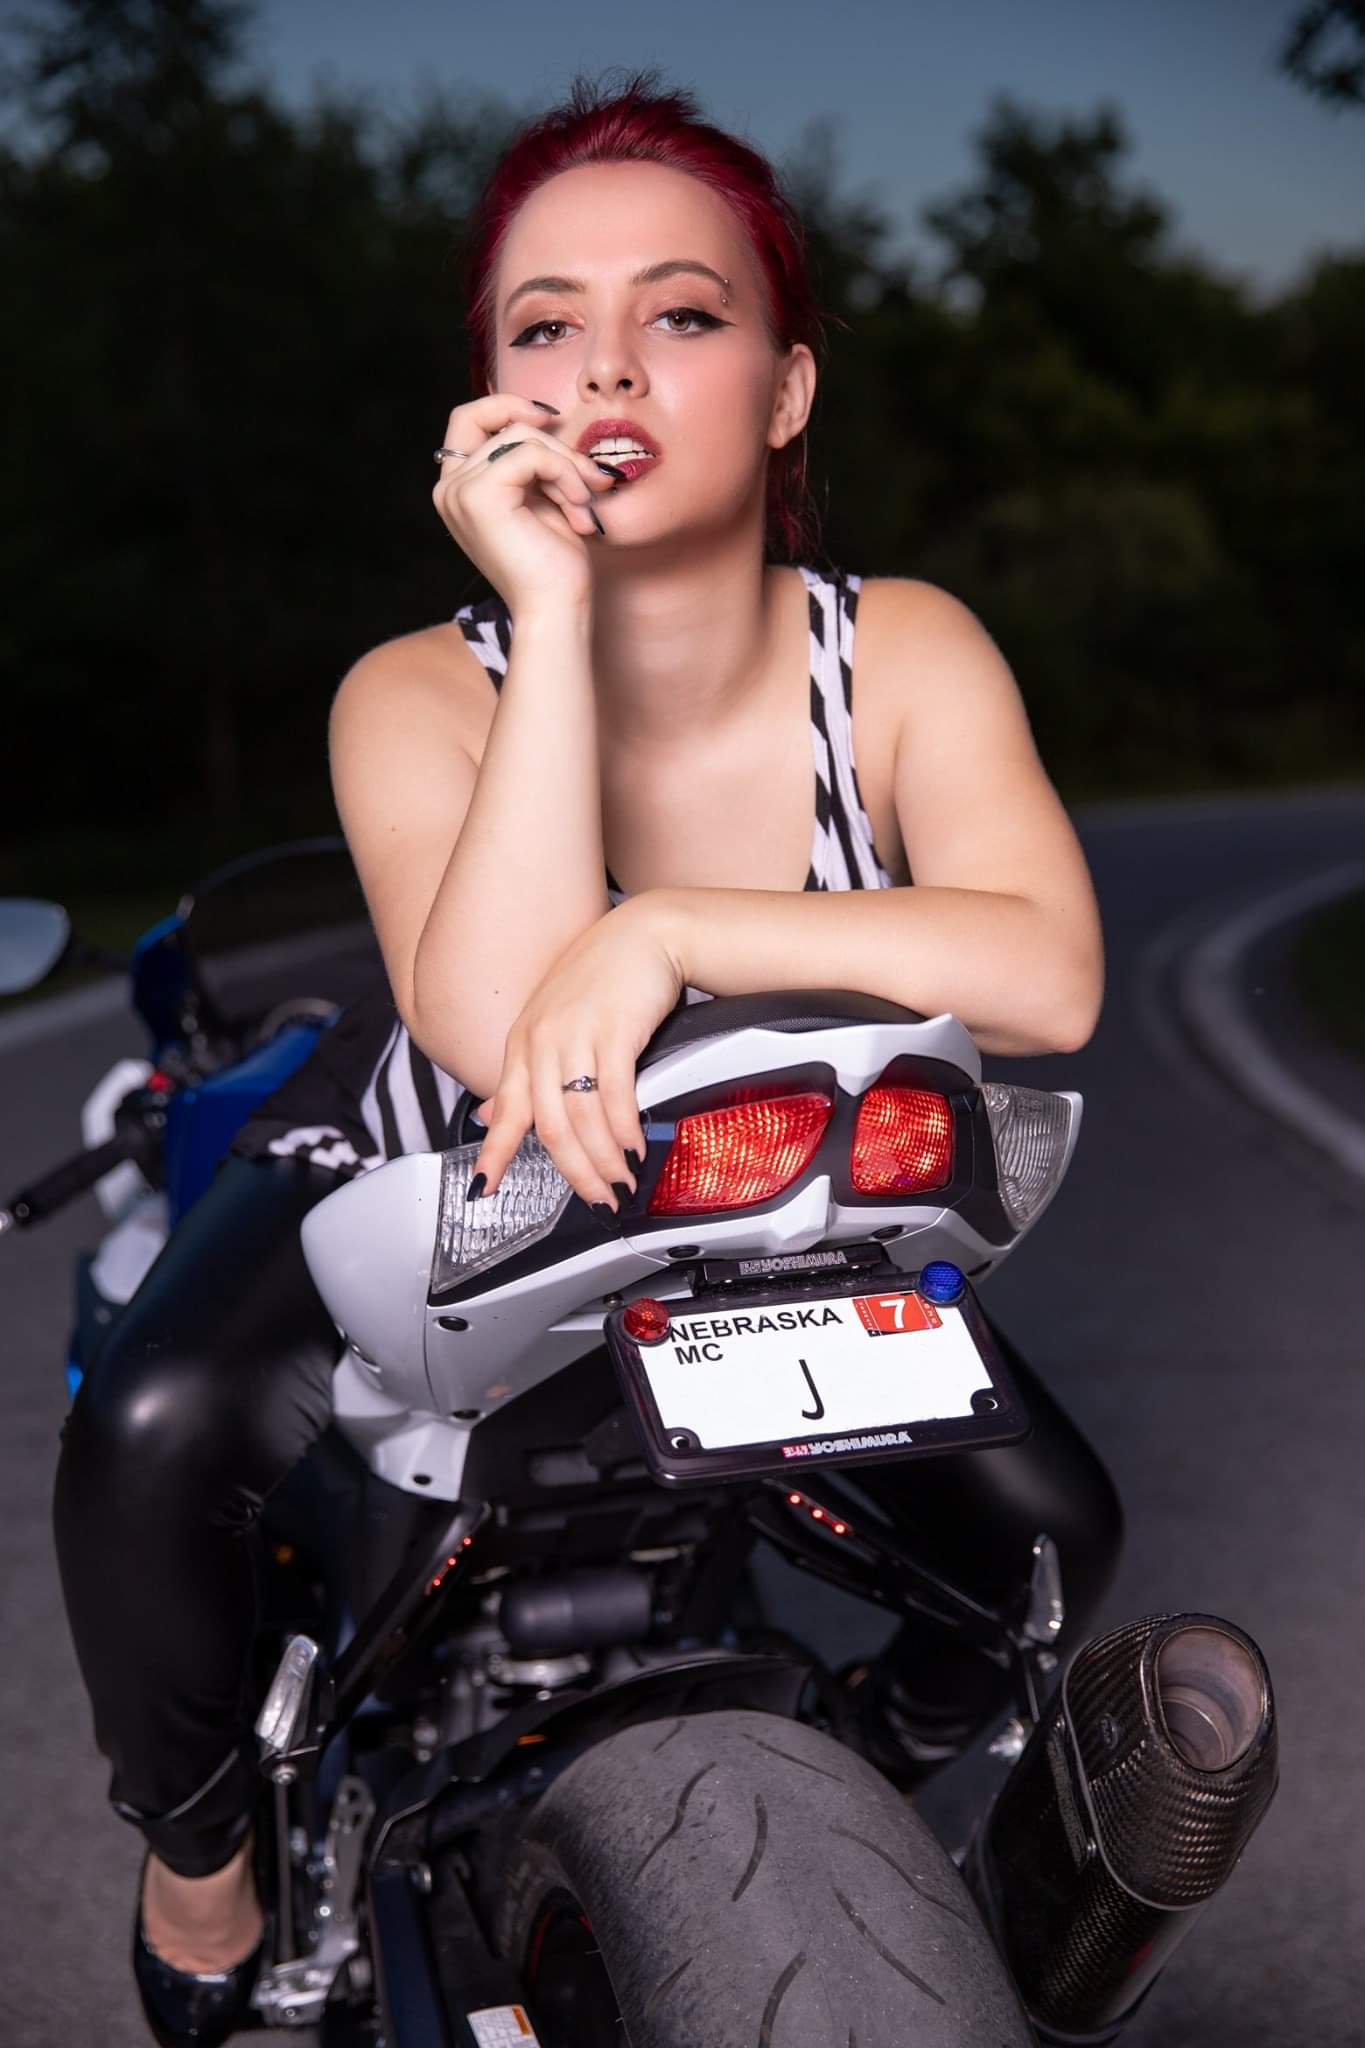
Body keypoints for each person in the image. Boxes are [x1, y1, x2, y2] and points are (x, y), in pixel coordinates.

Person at [52, 70, 1116, 2047]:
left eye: (681, 313)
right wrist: (549, 613)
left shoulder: (899, 650)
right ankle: (202, 1863)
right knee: (139, 1432)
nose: (605, 361)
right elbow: (486, 1040)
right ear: (489, 401)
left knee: (1057, 1529)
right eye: (546, 323)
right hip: (430, 1190)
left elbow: (1043, 969)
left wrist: (672, 925)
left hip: (755, 1206)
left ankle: (905, 1809)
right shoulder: (415, 685)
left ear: (785, 390)